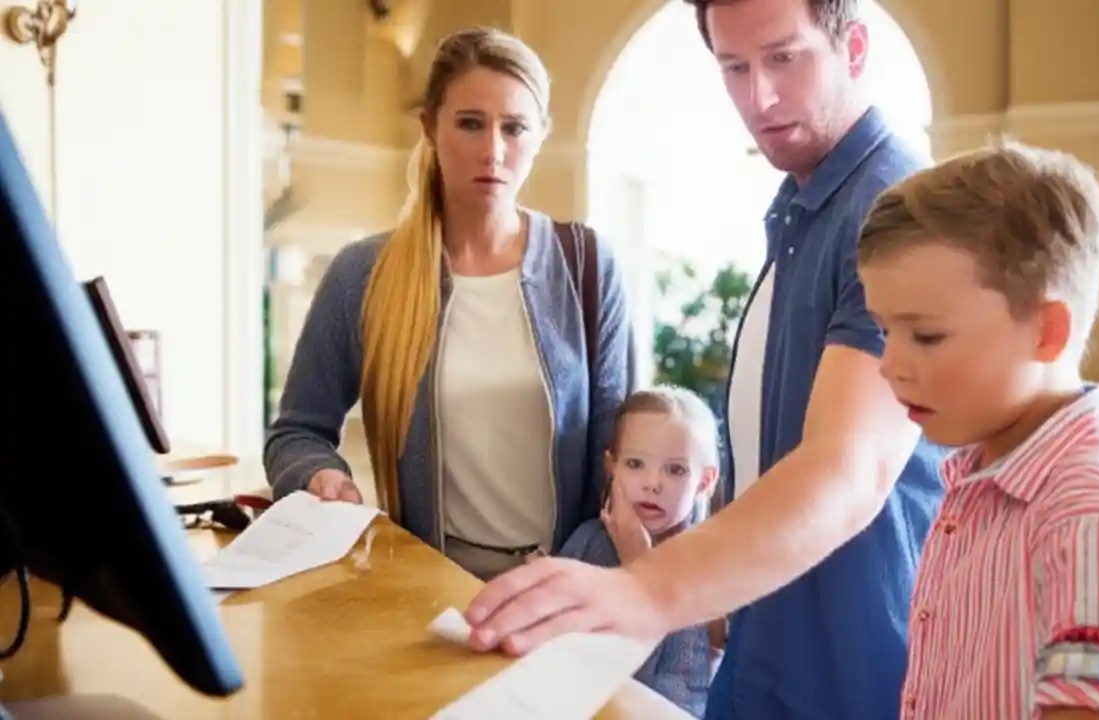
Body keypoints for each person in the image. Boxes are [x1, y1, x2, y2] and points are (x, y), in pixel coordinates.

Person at [463, 1, 945, 717]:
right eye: (734, 68)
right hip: (766, 643)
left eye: (785, 57)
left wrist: (643, 588)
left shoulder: (889, 205)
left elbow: (852, 469)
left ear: (854, 47)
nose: (760, 98)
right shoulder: (806, 201)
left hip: (849, 661)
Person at [263, 27, 632, 581]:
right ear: (430, 127)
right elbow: (296, 432)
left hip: (564, 588)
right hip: (424, 591)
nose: (493, 151)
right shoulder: (363, 275)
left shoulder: (587, 267)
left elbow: (620, 456)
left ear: (540, 135)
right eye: (469, 124)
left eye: (514, 128)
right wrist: (320, 476)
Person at [858, 141, 1099, 719]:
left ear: (1047, 330)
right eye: (883, 331)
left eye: (926, 336)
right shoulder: (979, 479)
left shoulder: (1093, 515)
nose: (891, 365)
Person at [558, 386, 726, 718]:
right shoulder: (588, 543)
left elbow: (655, 675)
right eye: (635, 464)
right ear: (612, 468)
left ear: (705, 482)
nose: (652, 483)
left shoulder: (714, 563)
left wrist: (640, 564)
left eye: (675, 470)